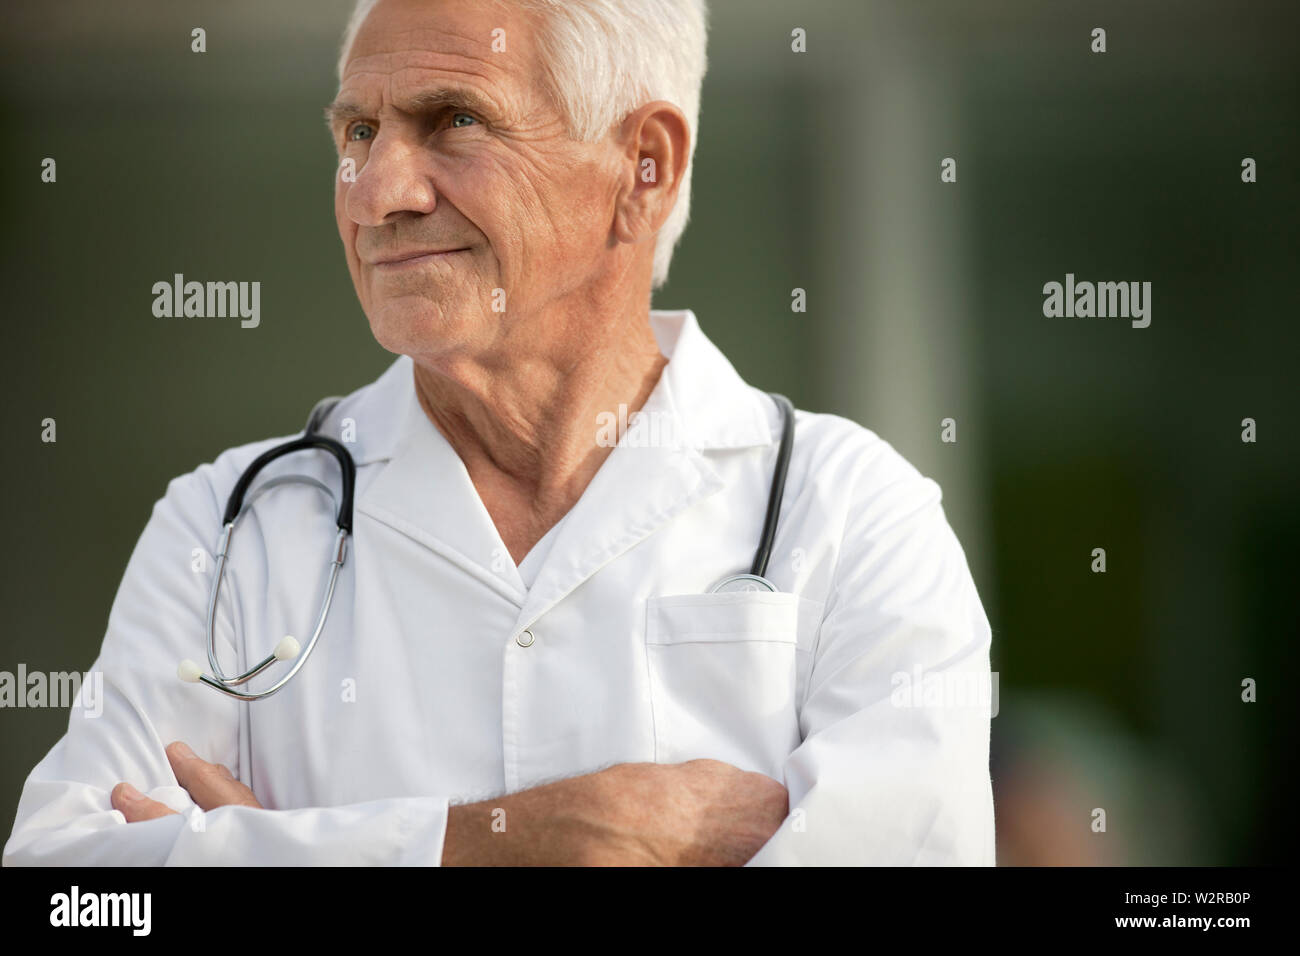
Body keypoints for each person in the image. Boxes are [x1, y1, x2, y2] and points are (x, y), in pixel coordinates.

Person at [4, 0, 994, 866]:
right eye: (357, 131)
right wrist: (504, 842)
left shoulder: (858, 519)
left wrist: (285, 848)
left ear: (641, 168)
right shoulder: (226, 525)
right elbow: (75, 896)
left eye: (455, 120)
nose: (377, 190)